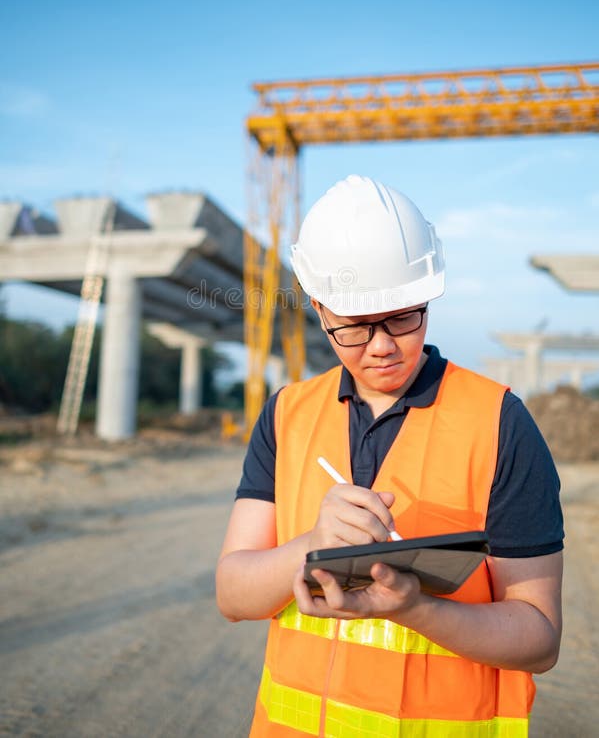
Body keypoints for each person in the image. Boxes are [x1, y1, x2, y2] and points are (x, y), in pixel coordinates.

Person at [216, 174, 564, 737]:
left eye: (403, 316)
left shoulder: (500, 423)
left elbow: (539, 637)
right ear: (320, 310)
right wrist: (311, 546)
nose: (382, 345)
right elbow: (233, 594)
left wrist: (415, 608)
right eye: (354, 326)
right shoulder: (288, 414)